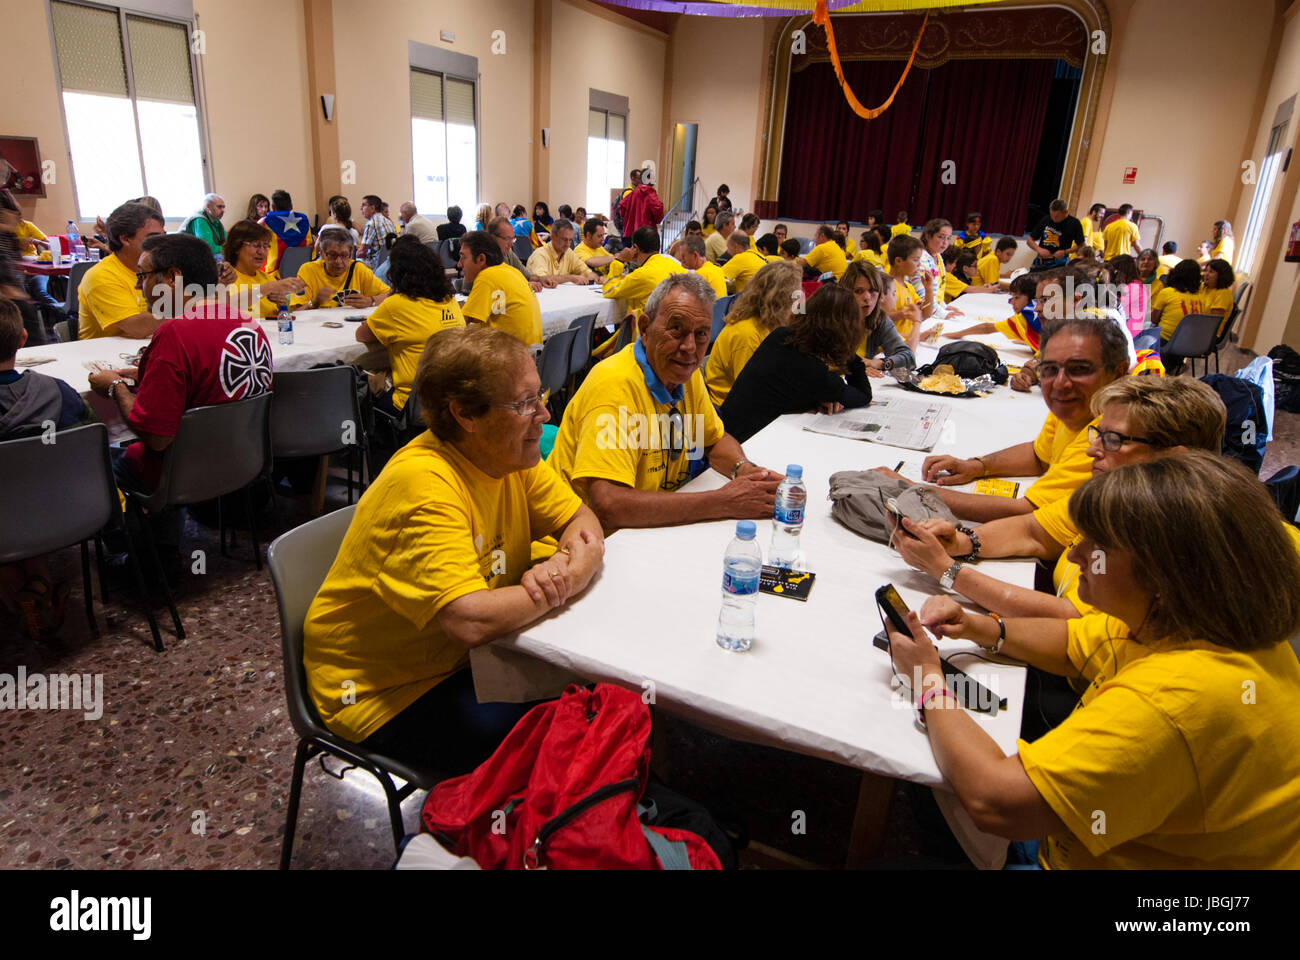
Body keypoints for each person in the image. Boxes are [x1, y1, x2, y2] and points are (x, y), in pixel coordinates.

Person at [888, 450, 1300, 869]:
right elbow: (1074, 641)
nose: (1076, 553)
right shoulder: (1195, 620)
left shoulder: (1173, 702)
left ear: (1162, 574)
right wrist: (982, 628)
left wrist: (927, 681)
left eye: (1097, 545)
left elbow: (995, 802)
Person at [303, 325, 605, 773]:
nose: (543, 412)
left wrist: (564, 568)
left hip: (465, 660)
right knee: (572, 736)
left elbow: (584, 523)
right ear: (465, 413)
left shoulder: (509, 456)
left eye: (538, 395)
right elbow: (470, 619)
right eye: (524, 403)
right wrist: (567, 576)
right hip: (386, 692)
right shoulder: (424, 485)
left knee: (598, 703)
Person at [891, 377, 1227, 622]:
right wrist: (962, 542)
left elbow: (1069, 621)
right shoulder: (1116, 496)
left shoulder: (1163, 542)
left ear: (1173, 458)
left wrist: (946, 570)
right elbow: (1034, 532)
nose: (1093, 449)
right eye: (1097, 433)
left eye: (1112, 439)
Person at [85, 230, 273, 564]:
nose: (137, 286)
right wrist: (150, 374)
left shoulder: (174, 332)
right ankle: (166, 543)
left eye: (143, 276)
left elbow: (156, 438)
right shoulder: (247, 321)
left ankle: (139, 556)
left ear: (172, 278)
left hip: (183, 469)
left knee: (97, 458)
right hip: (242, 460)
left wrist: (116, 388)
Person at [549, 272, 783, 530]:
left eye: (701, 334)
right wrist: (722, 501)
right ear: (645, 328)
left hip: (641, 532)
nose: (690, 347)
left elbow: (714, 439)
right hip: (583, 545)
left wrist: (743, 469)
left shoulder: (685, 373)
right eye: (676, 329)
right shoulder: (615, 387)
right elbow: (609, 506)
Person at [884, 315, 1130, 522]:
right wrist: (977, 466)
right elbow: (1039, 456)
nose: (1060, 383)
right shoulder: (1077, 409)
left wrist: (910, 490)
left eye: (1079, 369)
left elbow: (1029, 512)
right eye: (1050, 369)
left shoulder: (1105, 437)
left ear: (1118, 372)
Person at [0, 299, 90, 637]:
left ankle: (23, 595)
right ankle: (40, 586)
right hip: (61, 509)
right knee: (26, 490)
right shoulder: (58, 391)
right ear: (23, 338)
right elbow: (87, 428)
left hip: (8, 516)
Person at [720, 284, 872, 443]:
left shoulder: (780, 336)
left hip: (728, 430)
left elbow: (788, 387)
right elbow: (864, 396)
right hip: (745, 443)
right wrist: (850, 354)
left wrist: (818, 398)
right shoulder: (815, 372)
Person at [356, 235, 465, 416]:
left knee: (364, 385)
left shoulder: (396, 305)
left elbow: (362, 335)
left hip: (411, 404)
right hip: (449, 400)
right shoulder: (449, 301)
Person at [706, 260, 801, 406]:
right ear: (781, 301)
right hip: (731, 409)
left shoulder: (766, 326)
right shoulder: (747, 334)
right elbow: (752, 391)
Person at [77, 201, 166, 339]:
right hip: (105, 357)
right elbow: (138, 327)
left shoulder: (162, 268)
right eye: (154, 237)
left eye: (163, 236)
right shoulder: (101, 276)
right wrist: (190, 308)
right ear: (125, 239)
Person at [459, 230, 542, 349]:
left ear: (481, 259)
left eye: (463, 257)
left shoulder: (487, 277)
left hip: (509, 360)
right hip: (528, 356)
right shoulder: (512, 271)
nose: (459, 264)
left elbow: (461, 322)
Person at [839, 260, 914, 374]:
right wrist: (855, 368)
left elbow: (909, 358)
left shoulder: (880, 320)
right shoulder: (832, 318)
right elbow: (815, 365)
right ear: (846, 293)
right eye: (858, 291)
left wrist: (879, 363)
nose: (867, 297)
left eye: (872, 290)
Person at [601, 225, 686, 320]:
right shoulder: (675, 265)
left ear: (635, 248)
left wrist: (619, 261)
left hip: (648, 330)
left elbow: (609, 291)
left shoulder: (641, 274)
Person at [223, 220, 305, 318]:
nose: (262, 252)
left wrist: (281, 306)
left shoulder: (269, 279)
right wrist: (269, 287)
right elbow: (224, 310)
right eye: (256, 245)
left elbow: (281, 319)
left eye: (266, 246)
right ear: (236, 247)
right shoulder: (225, 278)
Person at [292, 228, 390, 309]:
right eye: (333, 255)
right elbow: (296, 312)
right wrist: (315, 302)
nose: (338, 261)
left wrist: (371, 301)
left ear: (351, 254)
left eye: (344, 255)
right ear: (322, 253)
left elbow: (390, 294)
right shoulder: (308, 271)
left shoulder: (358, 269)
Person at [942, 274, 1041, 350]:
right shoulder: (1037, 309)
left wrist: (957, 334)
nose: (1012, 303)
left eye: (1017, 298)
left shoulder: (1025, 316)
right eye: (1012, 298)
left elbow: (986, 328)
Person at [1149, 258, 1205, 369]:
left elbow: (1154, 319)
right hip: (1187, 344)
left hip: (1164, 341)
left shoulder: (1167, 293)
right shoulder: (1201, 298)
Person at [882, 233, 932, 345]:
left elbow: (926, 314)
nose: (919, 265)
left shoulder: (909, 287)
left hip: (908, 341)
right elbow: (878, 320)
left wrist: (928, 290)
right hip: (890, 345)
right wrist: (902, 314)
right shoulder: (887, 286)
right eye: (915, 260)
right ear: (899, 261)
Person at [525, 219, 597, 285]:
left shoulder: (569, 253)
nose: (568, 244)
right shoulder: (540, 254)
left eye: (570, 240)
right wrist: (571, 278)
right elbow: (543, 279)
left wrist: (596, 278)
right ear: (552, 236)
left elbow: (586, 271)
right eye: (564, 239)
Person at [260, 189, 313, 275]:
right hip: (302, 274)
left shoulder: (265, 222)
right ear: (291, 206)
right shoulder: (304, 220)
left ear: (273, 207)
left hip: (274, 277)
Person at [487, 216, 544, 291]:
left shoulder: (508, 253)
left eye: (512, 239)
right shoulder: (484, 257)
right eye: (507, 239)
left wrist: (542, 279)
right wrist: (525, 285)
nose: (512, 244)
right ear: (492, 237)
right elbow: (496, 285)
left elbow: (527, 276)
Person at [1026, 199, 1085, 268]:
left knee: (1067, 278)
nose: (1053, 219)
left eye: (1057, 216)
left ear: (1066, 212)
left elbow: (1081, 245)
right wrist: (1039, 249)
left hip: (1060, 263)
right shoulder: (1046, 219)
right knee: (1030, 278)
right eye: (1051, 215)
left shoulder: (1074, 223)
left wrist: (1065, 252)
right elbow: (1029, 240)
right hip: (1041, 261)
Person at [915, 218, 954, 309]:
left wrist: (944, 307)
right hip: (923, 311)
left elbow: (938, 289)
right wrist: (942, 313)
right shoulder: (920, 258)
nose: (945, 242)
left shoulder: (938, 256)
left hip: (934, 308)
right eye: (941, 237)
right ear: (928, 236)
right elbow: (921, 294)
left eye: (948, 238)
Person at [618, 171, 665, 243]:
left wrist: (629, 219)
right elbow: (657, 210)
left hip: (631, 232)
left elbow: (621, 207)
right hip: (647, 233)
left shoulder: (633, 193)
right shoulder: (651, 193)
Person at [679, 234, 726, 298]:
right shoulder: (717, 269)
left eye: (683, 256)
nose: (681, 260)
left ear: (695, 255)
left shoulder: (700, 275)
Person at [358, 195, 396, 270]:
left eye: (363, 205)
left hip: (376, 265)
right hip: (390, 263)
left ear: (372, 208)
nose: (361, 208)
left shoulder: (371, 223)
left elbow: (362, 252)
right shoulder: (389, 222)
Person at [1200, 258, 1235, 339]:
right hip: (1197, 328)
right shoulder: (1203, 287)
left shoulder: (1223, 294)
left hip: (1209, 335)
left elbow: (1212, 322)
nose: (1206, 274)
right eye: (1206, 271)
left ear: (1221, 275)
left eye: (1211, 272)